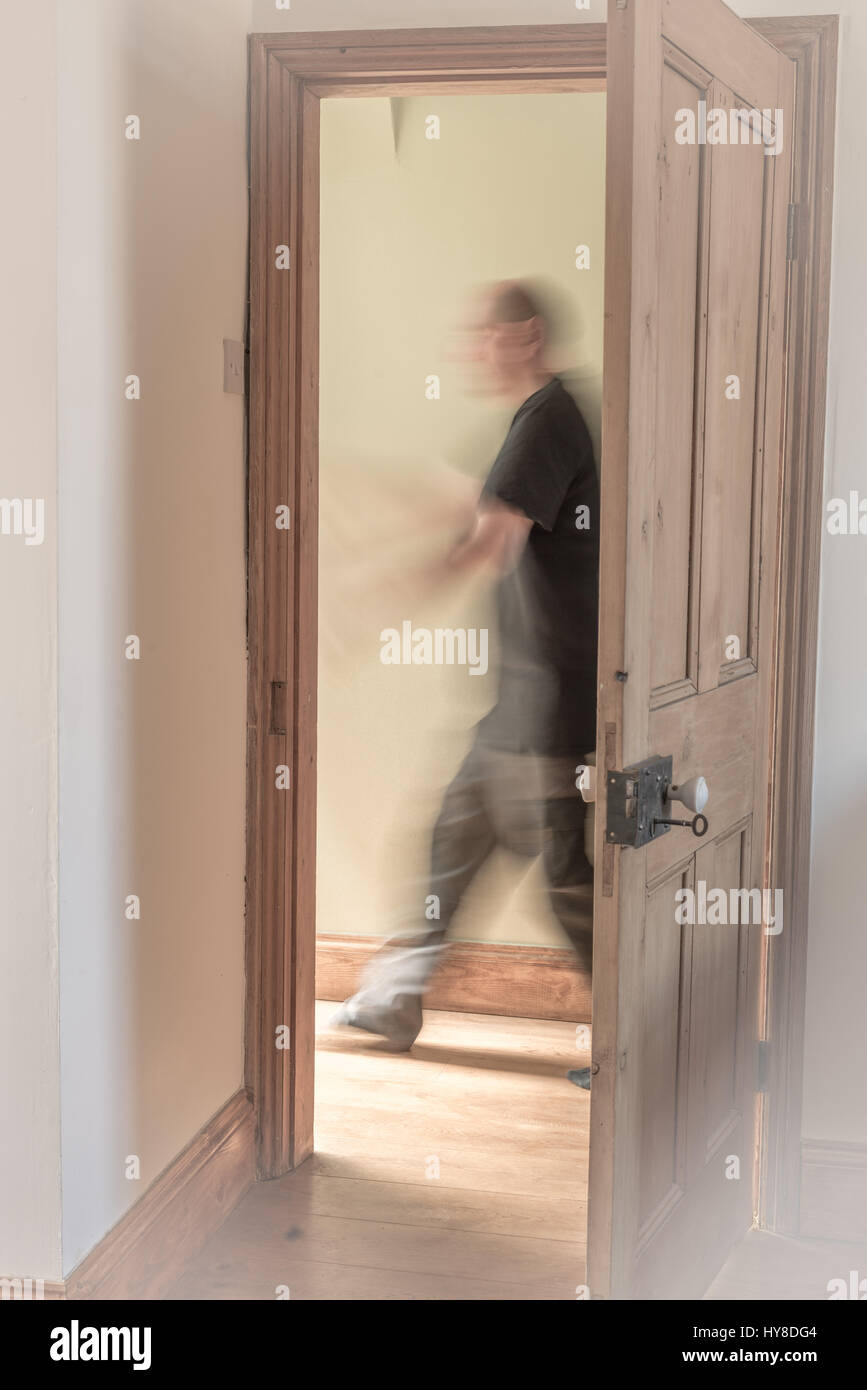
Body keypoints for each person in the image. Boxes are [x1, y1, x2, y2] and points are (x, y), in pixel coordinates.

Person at [332, 280, 600, 1088]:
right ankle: (396, 998)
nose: (467, 350)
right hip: (516, 705)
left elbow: (486, 540)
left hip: (550, 706)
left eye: (477, 335)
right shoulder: (548, 420)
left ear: (520, 335)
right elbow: (479, 506)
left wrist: (388, 597)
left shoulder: (549, 418)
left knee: (568, 882)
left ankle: (642, 1040)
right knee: (451, 838)